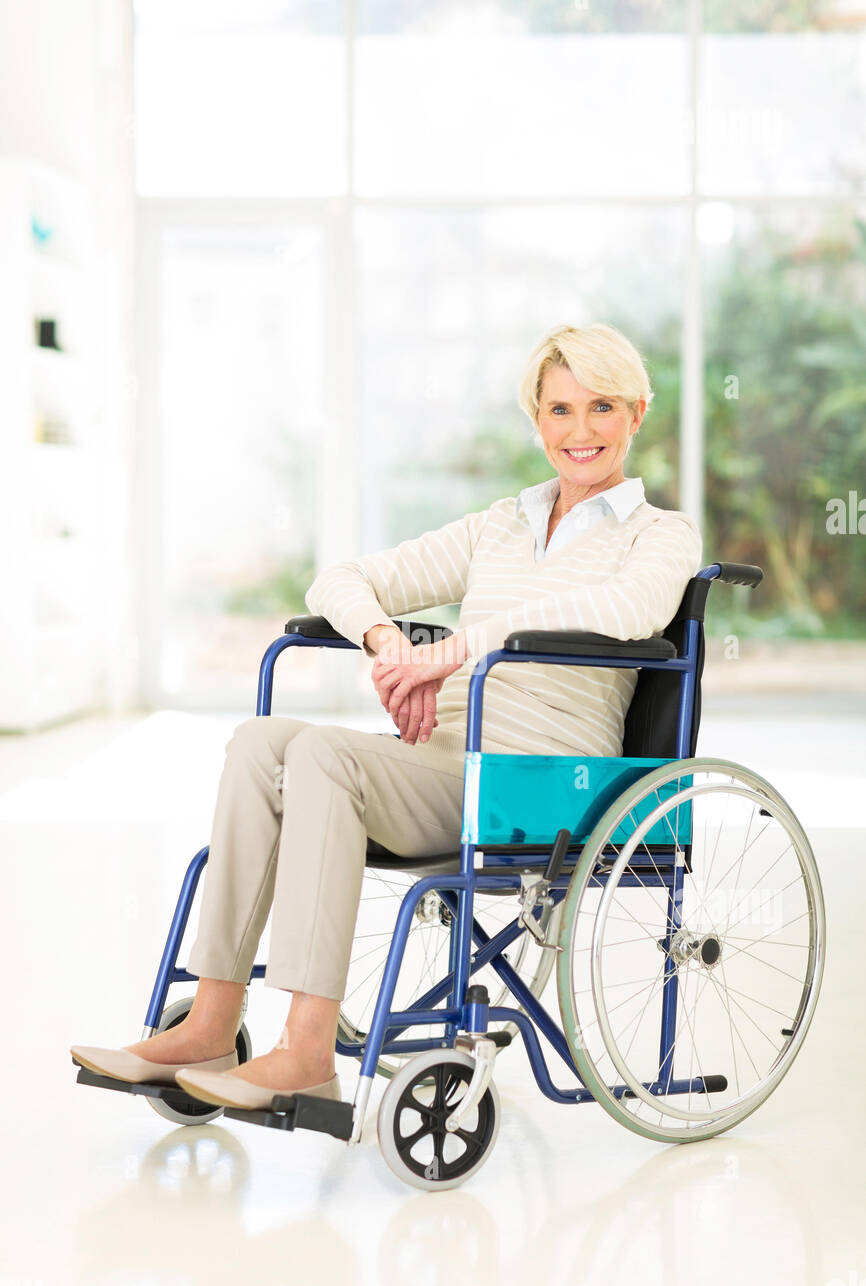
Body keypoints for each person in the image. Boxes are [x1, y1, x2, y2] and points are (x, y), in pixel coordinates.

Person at [70, 322, 703, 1112]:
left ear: (637, 413)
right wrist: (390, 644)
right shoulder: (499, 526)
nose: (580, 432)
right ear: (536, 419)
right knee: (262, 741)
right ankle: (211, 1016)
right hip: (446, 766)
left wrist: (455, 651)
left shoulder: (661, 535)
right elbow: (338, 579)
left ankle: (305, 1050)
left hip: (542, 788)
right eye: (559, 410)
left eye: (602, 407)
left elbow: (626, 608)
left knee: (325, 755)